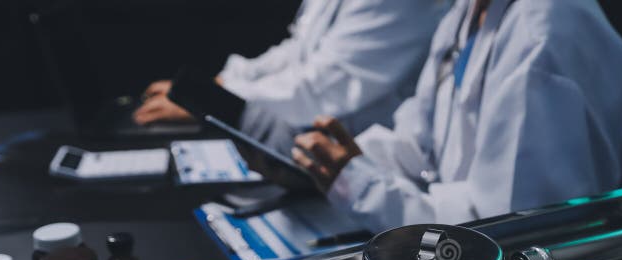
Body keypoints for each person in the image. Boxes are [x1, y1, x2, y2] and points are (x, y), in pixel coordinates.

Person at [292, 0, 622, 232]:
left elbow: (505, 236)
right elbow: (422, 143)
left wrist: (363, 188)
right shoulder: (471, 11)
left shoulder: (542, 39)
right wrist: (344, 159)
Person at [133, 0, 450, 149]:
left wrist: (216, 100)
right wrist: (220, 84)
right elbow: (298, 49)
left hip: (362, 156)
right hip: (325, 155)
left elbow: (321, 87)